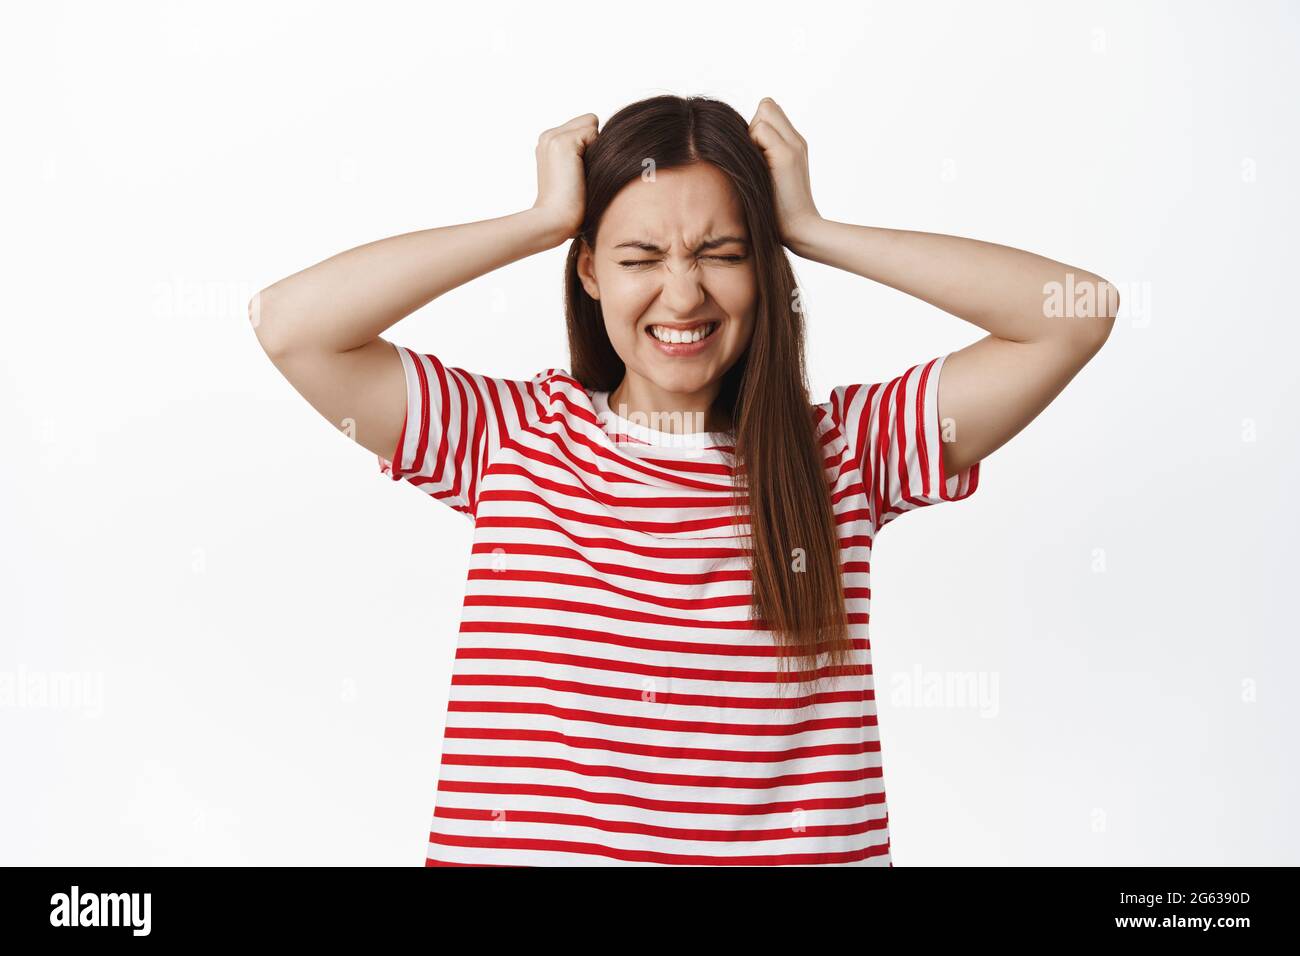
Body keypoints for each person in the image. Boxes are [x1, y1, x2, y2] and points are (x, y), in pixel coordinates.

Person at [250, 94, 1118, 866]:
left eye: (723, 252)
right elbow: (291, 325)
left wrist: (813, 231)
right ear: (588, 270)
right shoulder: (509, 439)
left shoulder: (845, 453)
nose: (682, 293)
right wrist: (540, 218)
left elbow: (1073, 317)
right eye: (639, 258)